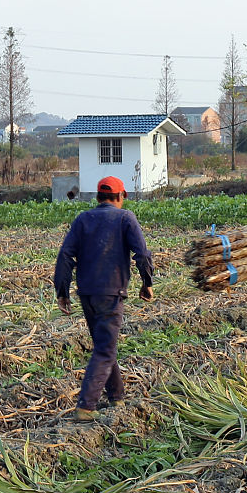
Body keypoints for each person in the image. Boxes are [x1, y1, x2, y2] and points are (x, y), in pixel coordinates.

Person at [54, 176, 155, 422]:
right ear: (120, 197)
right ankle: (86, 407)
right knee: (105, 349)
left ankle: (117, 397)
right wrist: (147, 282)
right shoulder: (125, 218)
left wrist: (62, 291)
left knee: (104, 345)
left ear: (98, 198)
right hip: (111, 292)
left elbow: (65, 255)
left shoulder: (83, 219)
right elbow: (142, 254)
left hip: (87, 293)